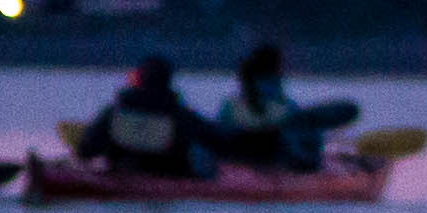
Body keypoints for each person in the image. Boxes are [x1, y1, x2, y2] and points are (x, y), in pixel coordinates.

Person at [78, 55, 214, 177]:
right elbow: (217, 142)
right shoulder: (182, 117)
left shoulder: (114, 114)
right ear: (168, 81)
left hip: (122, 179)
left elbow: (86, 150)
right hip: (171, 179)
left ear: (138, 79)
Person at [213, 42, 328, 170]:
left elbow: (219, 139)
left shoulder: (230, 106)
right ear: (277, 71)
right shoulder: (287, 108)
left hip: (241, 158)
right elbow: (313, 144)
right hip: (274, 159)